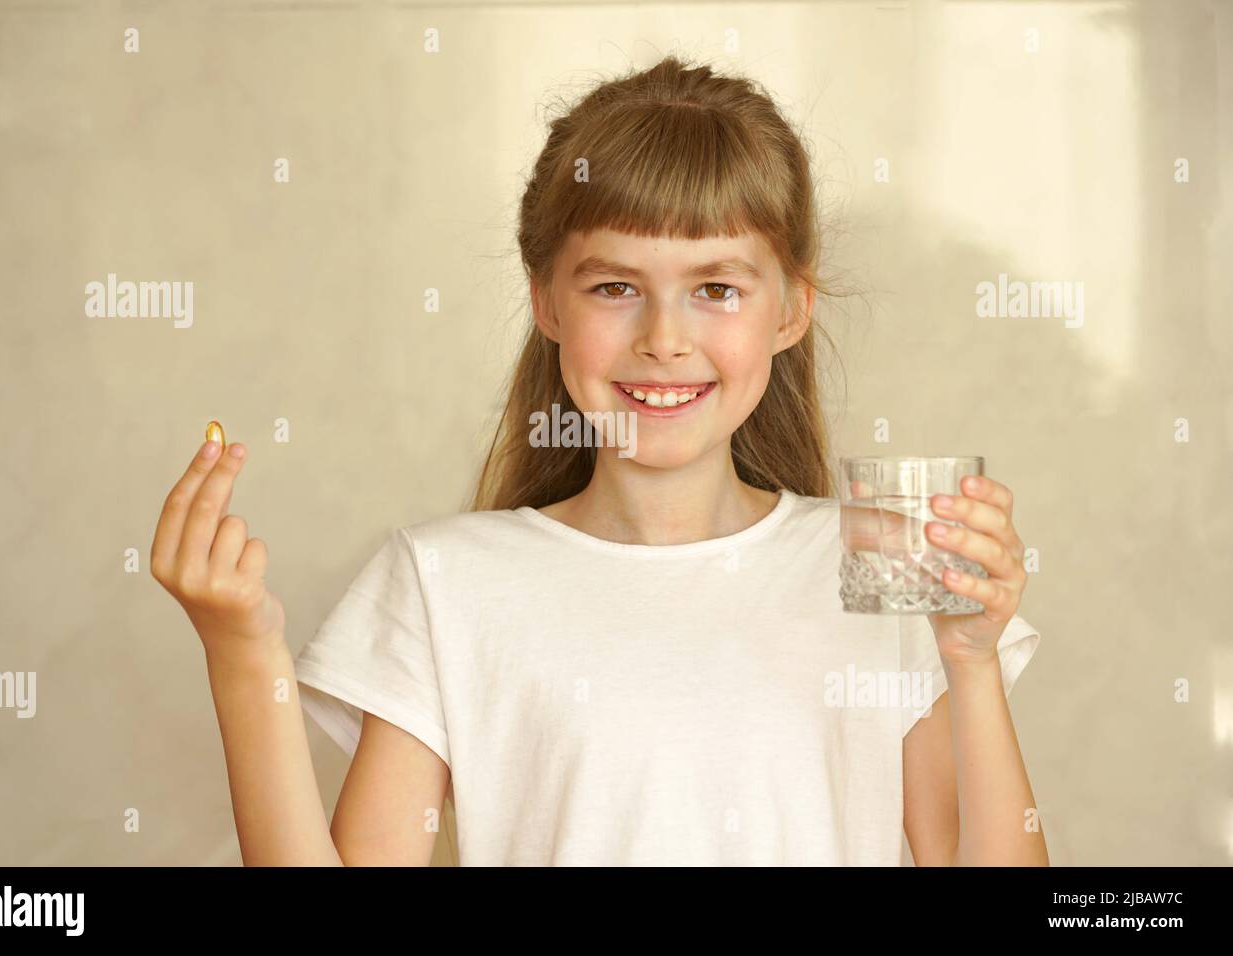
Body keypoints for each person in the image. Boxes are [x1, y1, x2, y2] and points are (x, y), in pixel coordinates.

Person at [151, 55, 1046, 866]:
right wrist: (241, 653)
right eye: (616, 287)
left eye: (717, 289)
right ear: (545, 301)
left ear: (790, 311)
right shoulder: (443, 584)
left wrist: (969, 662)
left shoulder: (880, 558)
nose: (664, 339)